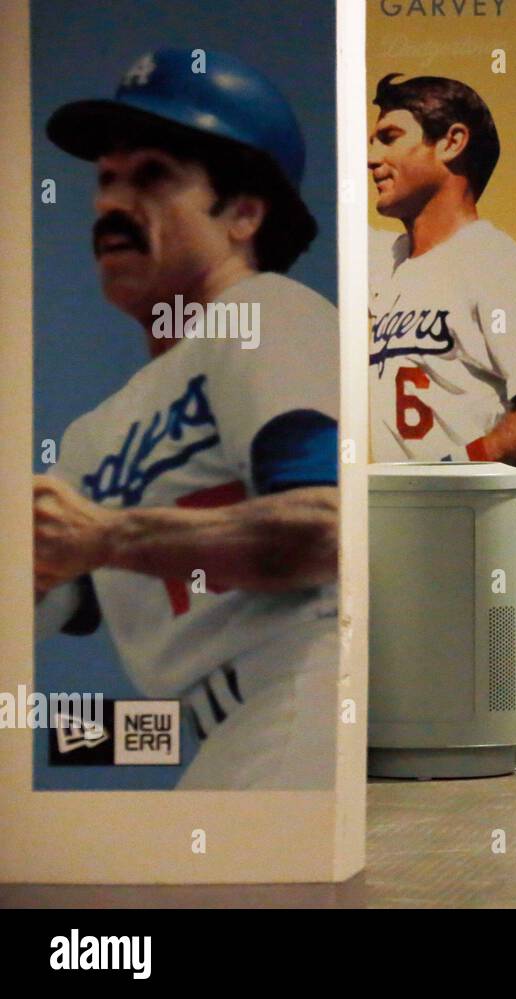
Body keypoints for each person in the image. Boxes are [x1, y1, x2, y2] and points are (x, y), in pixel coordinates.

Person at [34, 49, 339, 789]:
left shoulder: (264, 314)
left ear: (243, 212)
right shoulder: (92, 433)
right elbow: (39, 589)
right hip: (227, 732)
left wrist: (106, 536)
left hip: (306, 688)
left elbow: (329, 528)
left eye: (152, 176)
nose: (112, 203)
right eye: (107, 179)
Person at [367, 72, 516, 649]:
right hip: (411, 529)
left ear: (451, 142)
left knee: (462, 727)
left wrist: (456, 471)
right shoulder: (383, 262)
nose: (372, 158)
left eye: (390, 138)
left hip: (485, 533)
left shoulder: (498, 265)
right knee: (404, 725)